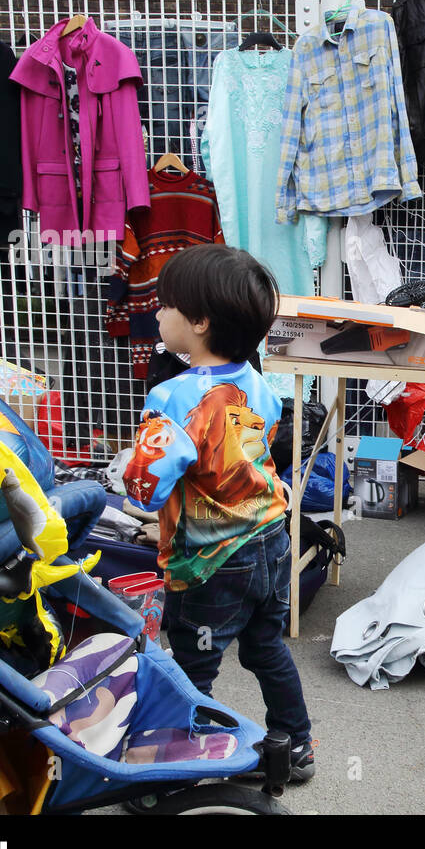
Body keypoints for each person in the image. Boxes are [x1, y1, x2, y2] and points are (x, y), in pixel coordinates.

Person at [123, 244, 314, 783]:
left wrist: (129, 481)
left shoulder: (172, 397)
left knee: (192, 665)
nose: (157, 313)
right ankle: (297, 746)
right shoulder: (260, 384)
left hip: (210, 560)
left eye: (165, 305)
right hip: (271, 541)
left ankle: (175, 766)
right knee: (265, 648)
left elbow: (144, 489)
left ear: (200, 322)